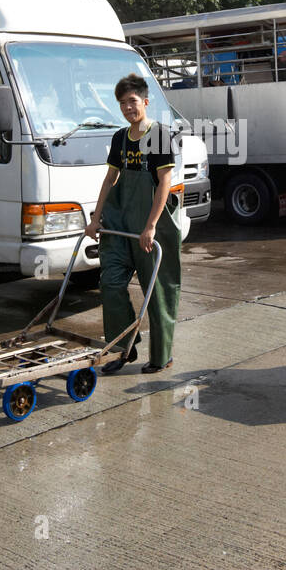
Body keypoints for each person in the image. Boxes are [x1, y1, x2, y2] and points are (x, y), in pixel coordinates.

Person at [85, 74, 182, 374]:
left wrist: (151, 225)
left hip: (151, 224)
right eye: (122, 103)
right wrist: (96, 216)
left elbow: (165, 182)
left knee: (157, 291)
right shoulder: (119, 138)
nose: (128, 107)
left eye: (133, 101)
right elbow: (110, 179)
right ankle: (123, 348)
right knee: (111, 284)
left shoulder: (159, 135)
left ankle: (161, 355)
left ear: (145, 102)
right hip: (119, 223)